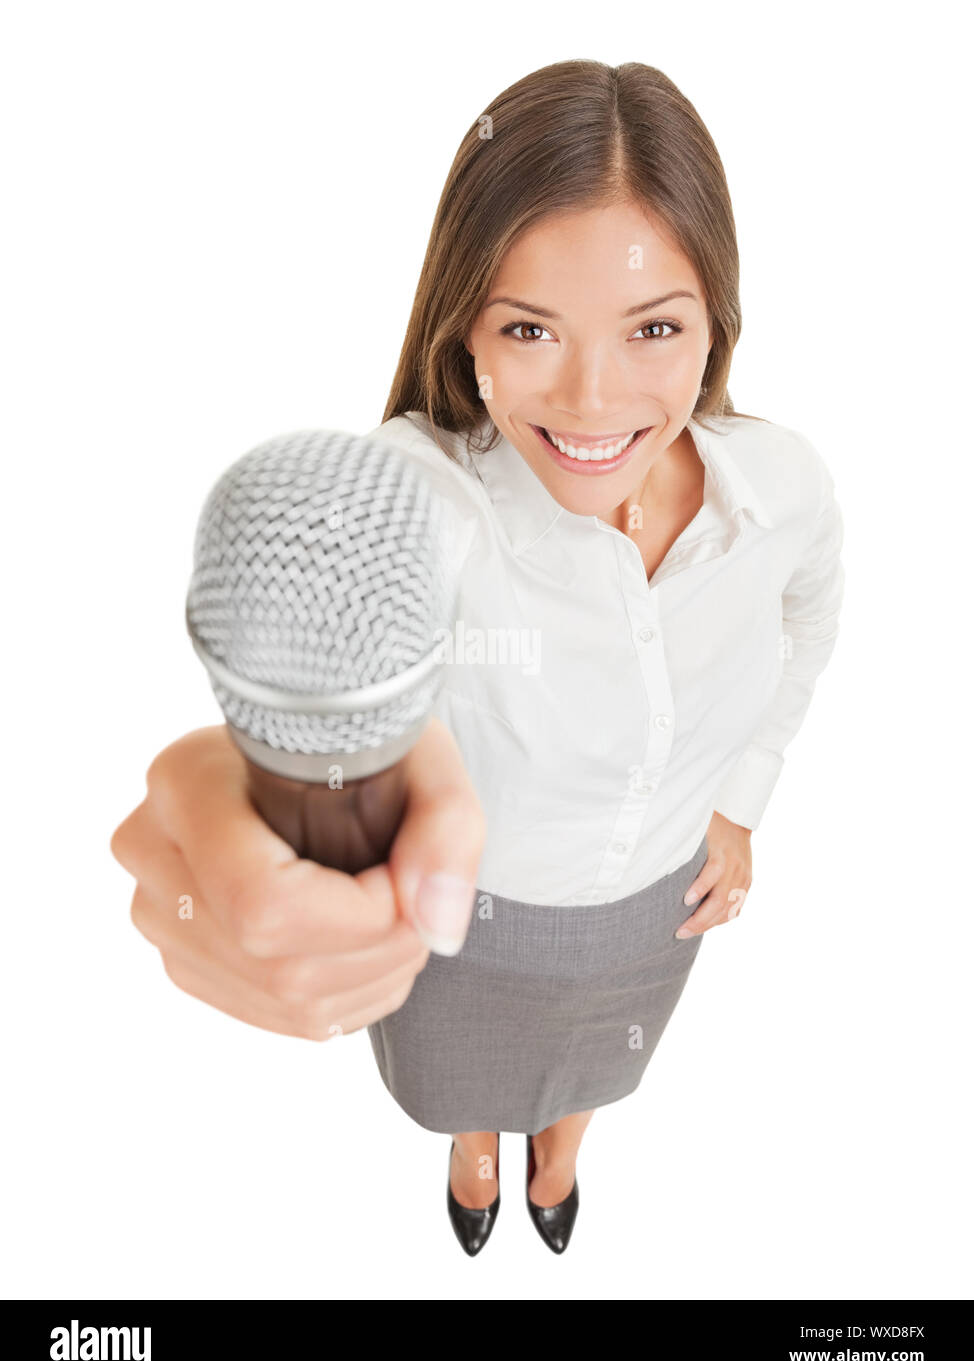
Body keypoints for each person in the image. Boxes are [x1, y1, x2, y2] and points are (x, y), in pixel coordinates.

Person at [110, 59, 845, 1258]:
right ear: (466, 332)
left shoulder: (784, 489)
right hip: (470, 922)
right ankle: (472, 1150)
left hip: (654, 907)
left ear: (717, 318)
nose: (592, 397)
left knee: (595, 1066)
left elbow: (807, 622)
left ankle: (558, 1151)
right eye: (529, 328)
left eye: (652, 326)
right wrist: (270, 771)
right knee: (460, 1083)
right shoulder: (424, 493)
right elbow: (338, 590)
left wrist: (739, 800)